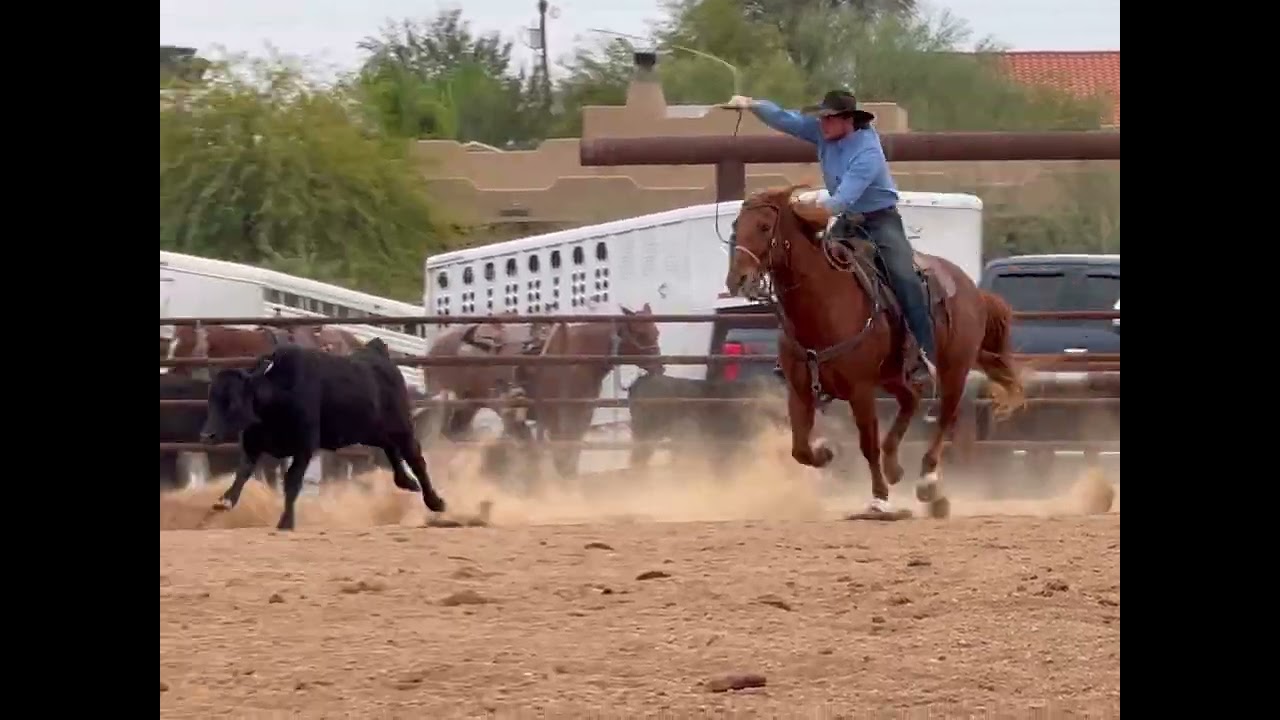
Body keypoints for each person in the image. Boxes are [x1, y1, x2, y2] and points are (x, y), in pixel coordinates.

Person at [724, 89, 937, 386]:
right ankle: (798, 350)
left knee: (904, 277)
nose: (821, 124)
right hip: (848, 222)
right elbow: (787, 120)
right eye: (821, 118)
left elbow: (842, 199)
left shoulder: (867, 153)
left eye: (829, 118)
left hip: (880, 221)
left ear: (847, 121)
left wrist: (804, 206)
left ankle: (925, 353)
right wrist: (753, 105)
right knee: (807, 269)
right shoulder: (824, 133)